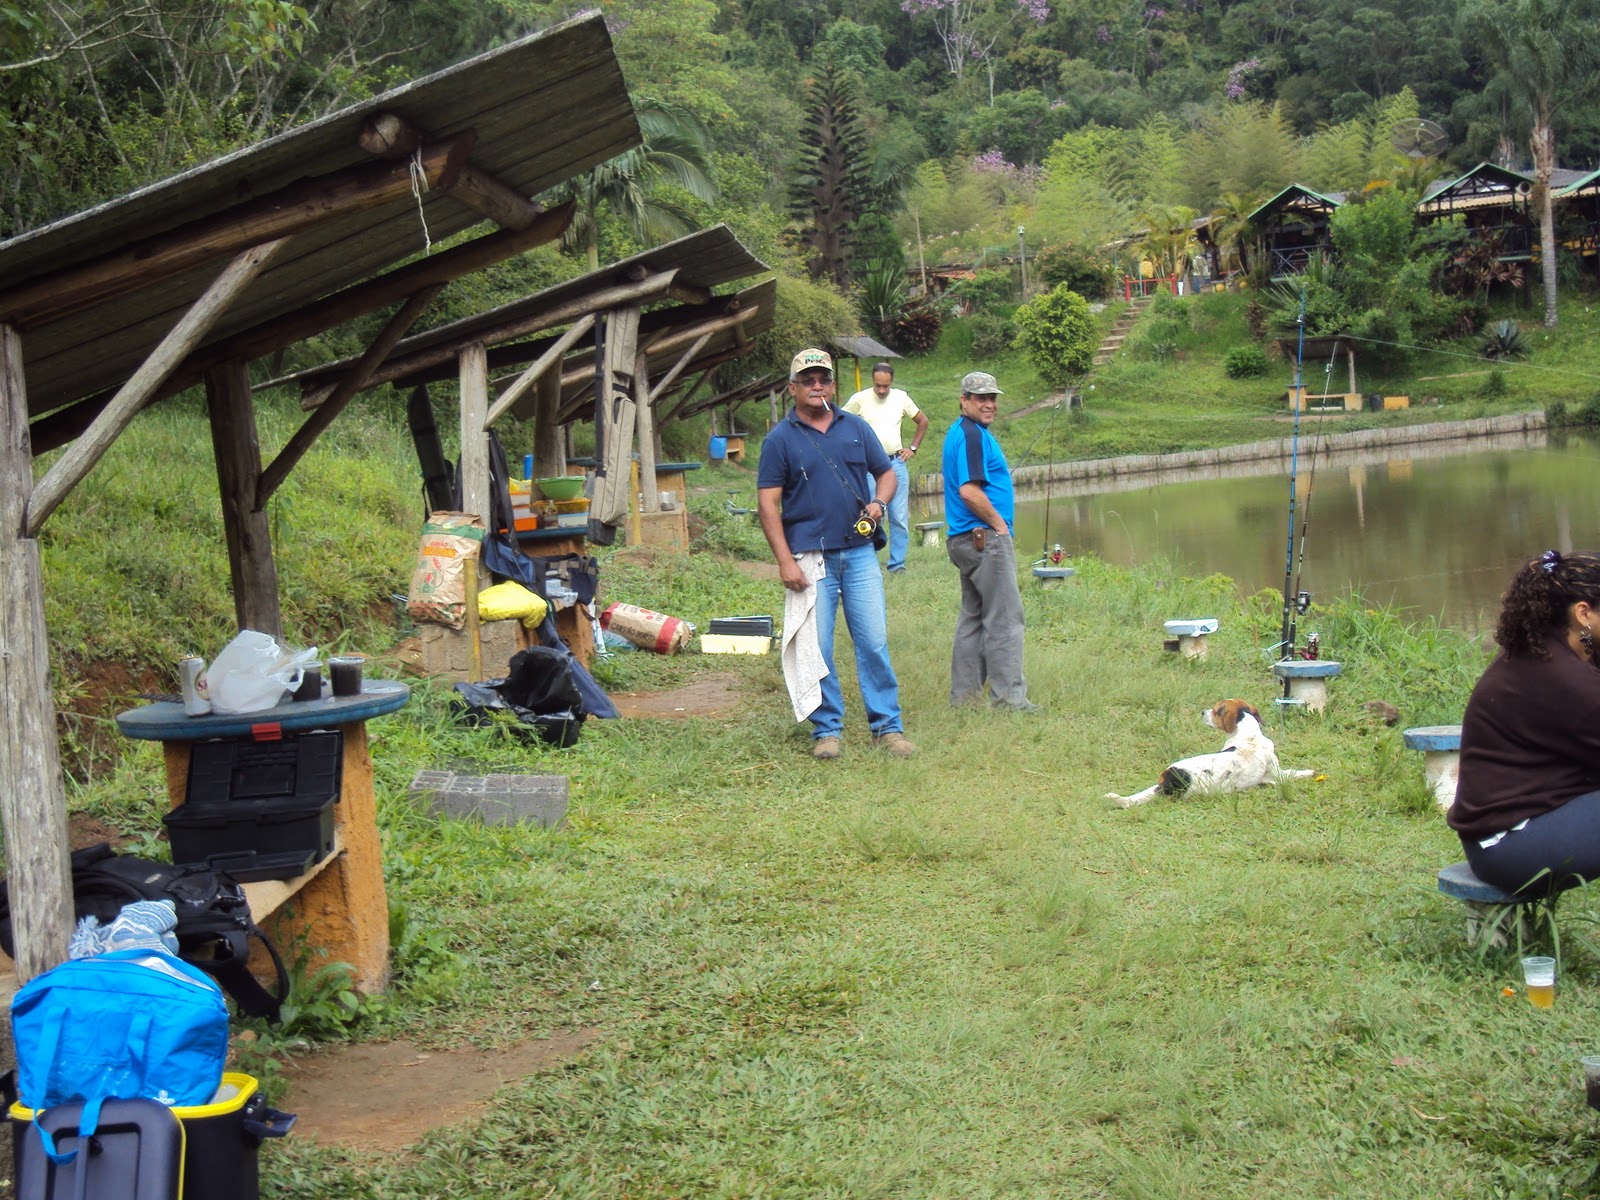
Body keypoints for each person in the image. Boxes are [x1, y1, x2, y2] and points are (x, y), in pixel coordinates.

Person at [756, 348, 917, 760]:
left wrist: (879, 503)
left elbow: (885, 472)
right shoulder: (779, 440)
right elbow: (768, 505)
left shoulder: (857, 428)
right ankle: (827, 730)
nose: (816, 386)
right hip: (811, 559)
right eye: (807, 379)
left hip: (860, 553)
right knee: (817, 647)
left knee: (874, 643)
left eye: (823, 379)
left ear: (833, 385)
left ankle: (887, 727)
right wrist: (785, 561)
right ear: (792, 387)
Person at [1449, 549, 1600, 895]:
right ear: (1583, 612)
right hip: (1509, 845)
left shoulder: (1561, 649)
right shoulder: (1564, 681)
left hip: (1524, 824)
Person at [941, 371, 1037, 712]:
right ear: (964, 400)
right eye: (980, 397)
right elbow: (969, 491)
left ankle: (964, 699)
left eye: (992, 397)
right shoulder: (970, 435)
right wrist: (1000, 527)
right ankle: (1009, 700)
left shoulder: (962, 432)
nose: (988, 404)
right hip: (983, 539)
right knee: (1005, 619)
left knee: (973, 617)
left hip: (964, 539)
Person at [843, 362, 929, 573]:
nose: (882, 390)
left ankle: (897, 564)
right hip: (869, 467)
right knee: (870, 513)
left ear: (891, 382)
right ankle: (868, 561)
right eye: (878, 385)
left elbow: (922, 421)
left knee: (899, 517)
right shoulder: (859, 399)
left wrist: (913, 448)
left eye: (886, 386)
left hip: (895, 463)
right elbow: (840, 421)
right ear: (872, 381)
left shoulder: (901, 397)